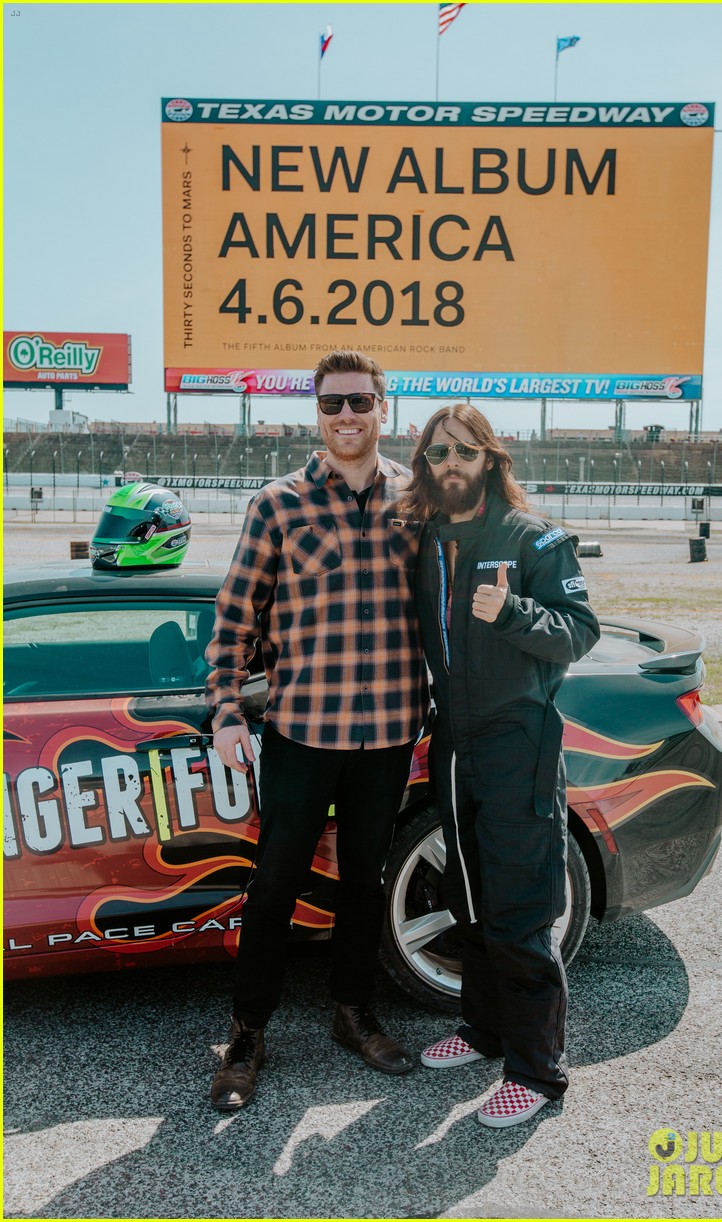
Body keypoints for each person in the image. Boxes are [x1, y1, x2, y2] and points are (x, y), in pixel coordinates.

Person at [206, 349, 426, 1111]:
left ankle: (352, 1013)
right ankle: (247, 1034)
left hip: (390, 730)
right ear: (316, 413)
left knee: (364, 883)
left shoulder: (416, 500)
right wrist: (228, 710)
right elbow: (235, 616)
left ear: (381, 409)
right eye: (332, 404)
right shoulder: (277, 503)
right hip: (301, 732)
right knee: (273, 888)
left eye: (359, 402)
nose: (346, 417)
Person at [401, 404, 600, 1129]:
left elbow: (578, 632)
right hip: (454, 741)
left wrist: (513, 613)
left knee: (519, 911)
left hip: (519, 742)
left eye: (461, 451)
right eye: (434, 453)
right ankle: (483, 1031)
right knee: (469, 897)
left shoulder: (532, 536)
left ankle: (538, 1072)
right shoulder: (423, 537)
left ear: (489, 457)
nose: (447, 463)